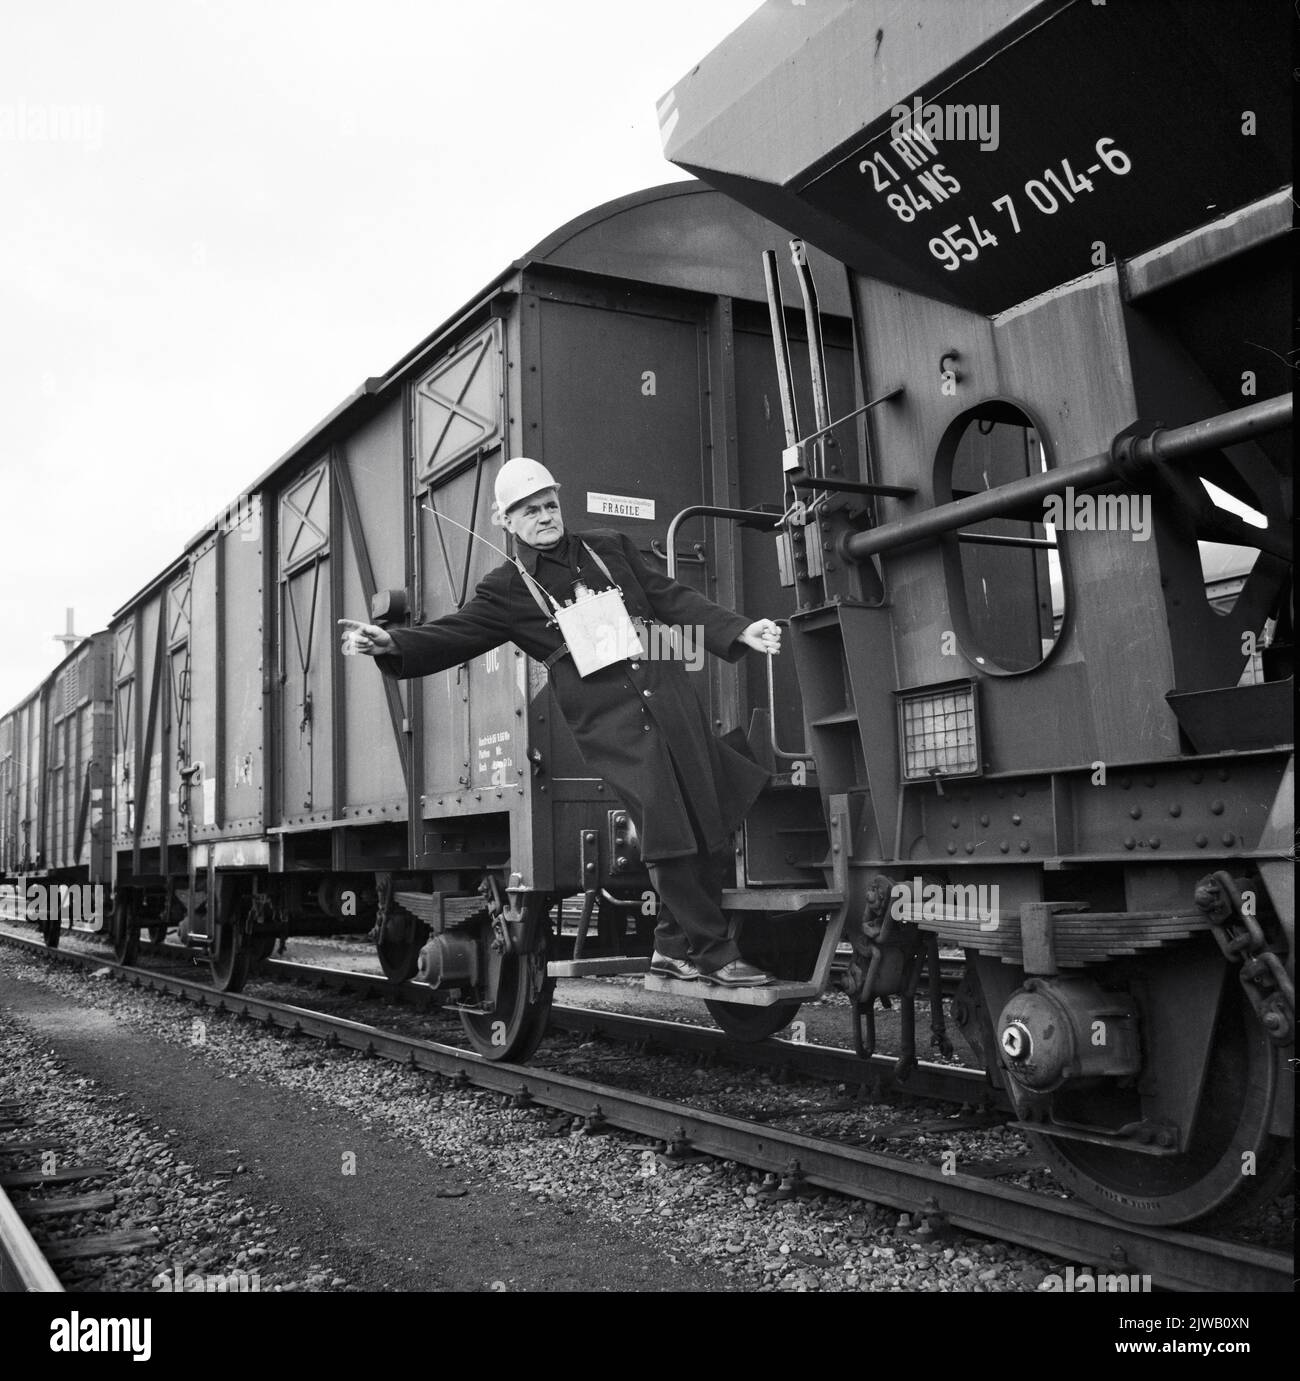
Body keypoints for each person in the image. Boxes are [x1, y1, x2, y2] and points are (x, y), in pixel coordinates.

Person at [338, 457, 783, 987]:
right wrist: (394, 643)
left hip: (669, 704)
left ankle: (669, 946)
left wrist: (737, 631)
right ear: (507, 521)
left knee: (710, 814)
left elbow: (669, 598)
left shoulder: (610, 547)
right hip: (612, 726)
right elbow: (457, 633)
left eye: (549, 504)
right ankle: (713, 953)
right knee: (667, 830)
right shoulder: (506, 589)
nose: (544, 516)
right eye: (529, 510)